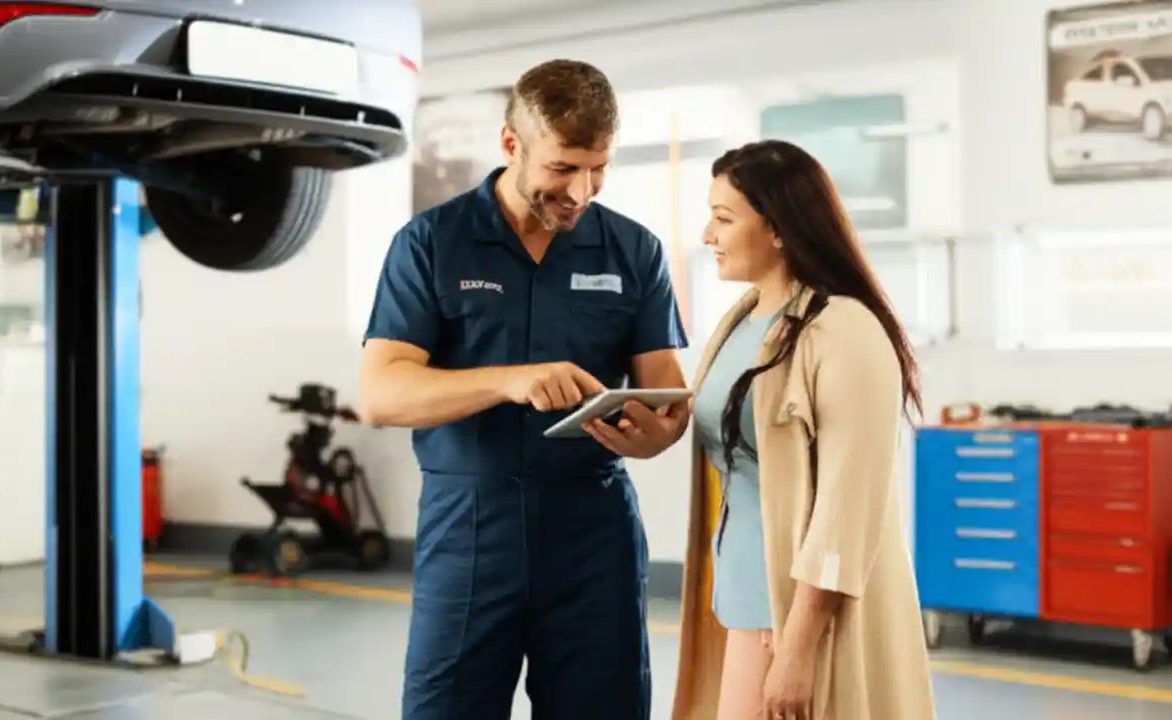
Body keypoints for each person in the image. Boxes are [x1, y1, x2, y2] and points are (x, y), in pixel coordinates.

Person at [358, 59, 691, 720]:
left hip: (593, 531)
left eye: (599, 168)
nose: (582, 190)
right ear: (512, 145)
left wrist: (658, 436)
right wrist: (512, 381)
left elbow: (667, 398)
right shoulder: (431, 244)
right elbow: (380, 396)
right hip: (470, 528)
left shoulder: (634, 251)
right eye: (563, 168)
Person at [671, 140, 936, 720]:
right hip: (743, 595)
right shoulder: (743, 318)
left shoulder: (843, 329)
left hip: (798, 613)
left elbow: (847, 506)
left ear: (780, 230)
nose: (707, 235)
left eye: (723, 218)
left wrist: (797, 647)